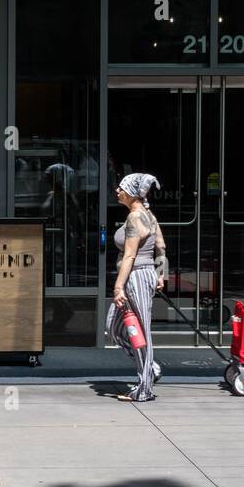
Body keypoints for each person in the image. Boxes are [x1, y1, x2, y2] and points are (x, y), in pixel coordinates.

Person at [107, 172, 167, 402]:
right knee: (114, 327)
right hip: (142, 275)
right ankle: (150, 367)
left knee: (140, 331)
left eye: (121, 188)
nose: (117, 191)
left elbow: (130, 255)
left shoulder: (136, 218)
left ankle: (144, 388)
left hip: (136, 277)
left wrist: (118, 287)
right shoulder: (147, 215)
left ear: (132, 192)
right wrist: (160, 274)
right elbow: (161, 245)